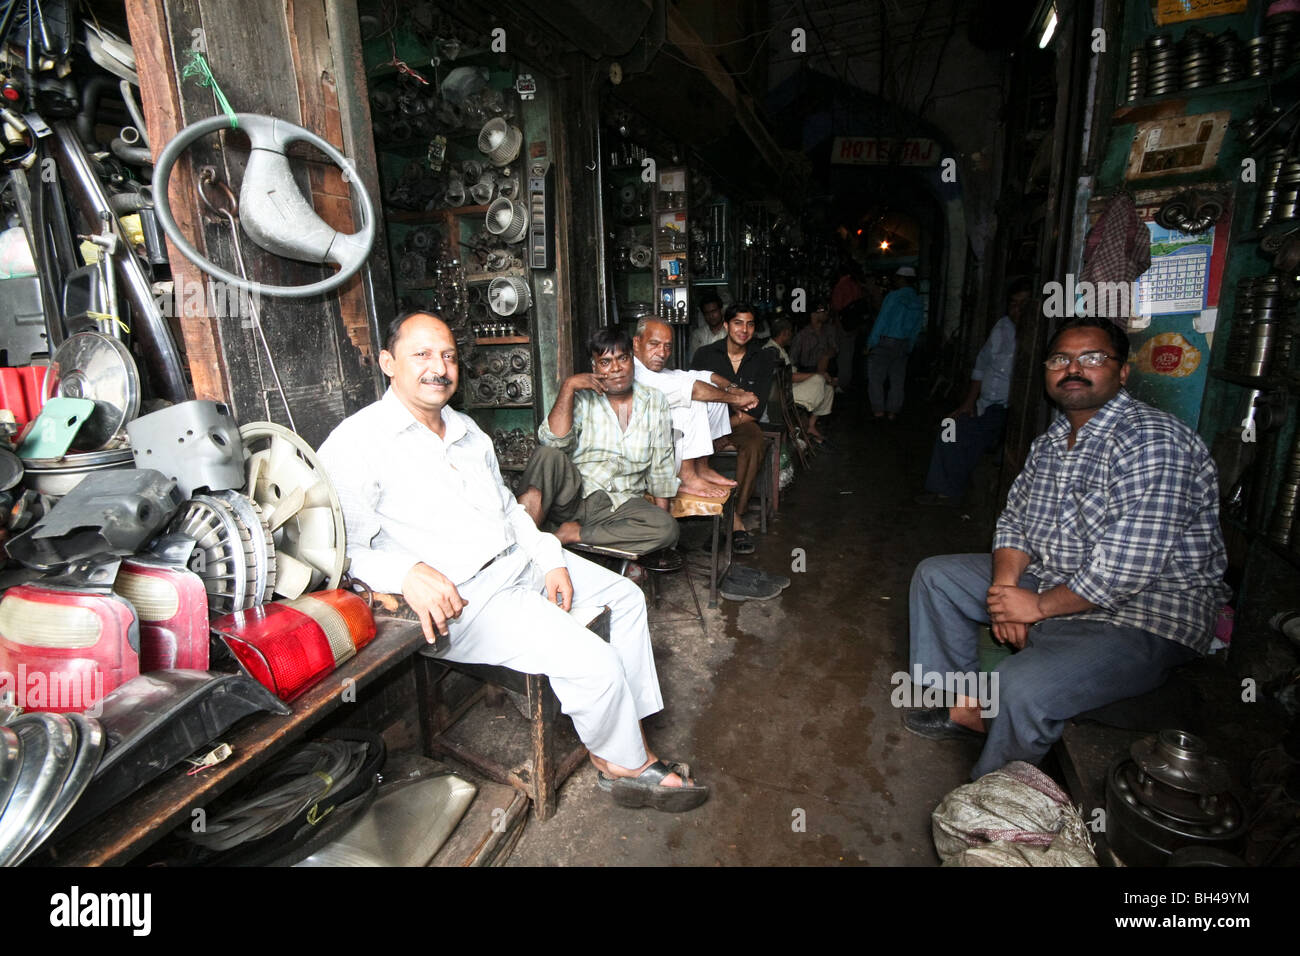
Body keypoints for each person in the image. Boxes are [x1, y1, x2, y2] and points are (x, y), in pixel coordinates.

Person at [317, 312, 708, 810]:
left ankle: (626, 730)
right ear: (388, 363)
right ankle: (625, 766)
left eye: (448, 357)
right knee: (594, 660)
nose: (439, 368)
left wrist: (550, 558)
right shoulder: (357, 442)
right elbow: (338, 549)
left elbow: (510, 511)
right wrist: (405, 572)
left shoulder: (466, 430)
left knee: (626, 598)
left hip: (516, 565)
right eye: (422, 355)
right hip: (466, 600)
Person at [903, 317, 1230, 780]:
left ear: (1122, 373)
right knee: (937, 577)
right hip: (1056, 580)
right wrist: (1004, 592)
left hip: (1142, 614)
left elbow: (1124, 572)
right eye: (1060, 359)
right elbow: (1014, 521)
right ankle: (969, 709)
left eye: (1092, 358)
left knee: (1018, 685)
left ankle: (998, 807)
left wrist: (1033, 607)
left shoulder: (1155, 442)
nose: (1073, 369)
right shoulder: (1052, 443)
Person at [517, 326, 680, 555]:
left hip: (620, 505)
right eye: (606, 362)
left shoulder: (654, 400)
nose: (616, 368)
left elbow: (661, 466)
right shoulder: (583, 399)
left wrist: (663, 530)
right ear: (594, 367)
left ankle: (572, 534)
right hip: (574, 497)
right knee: (546, 454)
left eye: (622, 358)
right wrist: (569, 386)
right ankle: (523, 547)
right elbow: (553, 442)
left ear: (632, 360)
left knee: (667, 529)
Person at [916, 278, 1033, 505]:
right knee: (949, 428)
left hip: (1009, 410)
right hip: (986, 405)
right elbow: (981, 366)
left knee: (970, 437)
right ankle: (946, 488)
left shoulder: (1038, 335)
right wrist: (967, 403)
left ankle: (952, 487)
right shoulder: (1002, 327)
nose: (1017, 310)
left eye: (1023, 304)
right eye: (1013, 304)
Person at [632, 316, 759, 498]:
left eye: (668, 346)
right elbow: (694, 389)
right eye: (654, 344)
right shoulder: (639, 373)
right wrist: (736, 400)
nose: (662, 353)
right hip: (644, 452)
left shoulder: (655, 370)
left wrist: (734, 390)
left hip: (662, 442)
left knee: (713, 393)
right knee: (694, 399)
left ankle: (701, 466)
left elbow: (702, 376)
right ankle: (686, 476)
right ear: (637, 343)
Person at [689, 303, 777, 555]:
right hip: (705, 423)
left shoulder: (762, 357)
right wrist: (712, 431)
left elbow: (754, 411)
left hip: (742, 424)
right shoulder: (705, 354)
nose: (744, 329)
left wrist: (724, 430)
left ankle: (733, 516)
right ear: (726, 325)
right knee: (692, 447)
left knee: (754, 443)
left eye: (750, 324)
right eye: (738, 323)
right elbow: (693, 396)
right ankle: (730, 522)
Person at [866, 266, 925, 420]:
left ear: (901, 279)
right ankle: (893, 411)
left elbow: (882, 320)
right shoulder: (918, 300)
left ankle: (878, 410)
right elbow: (917, 327)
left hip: (886, 341)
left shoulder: (893, 297)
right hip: (903, 343)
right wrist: (910, 345)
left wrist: (871, 342)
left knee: (876, 377)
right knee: (897, 379)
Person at [765, 317, 834, 442]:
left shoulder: (780, 348)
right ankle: (802, 413)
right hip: (779, 394)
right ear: (784, 333)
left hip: (788, 386)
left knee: (827, 388)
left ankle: (811, 425)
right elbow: (788, 377)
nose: (792, 335)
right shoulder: (771, 350)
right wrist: (816, 375)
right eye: (790, 332)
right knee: (819, 379)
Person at [688, 290, 727, 359]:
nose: (711, 316)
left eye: (714, 311)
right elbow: (694, 360)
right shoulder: (698, 335)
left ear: (721, 311)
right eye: (707, 313)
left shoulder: (730, 332)